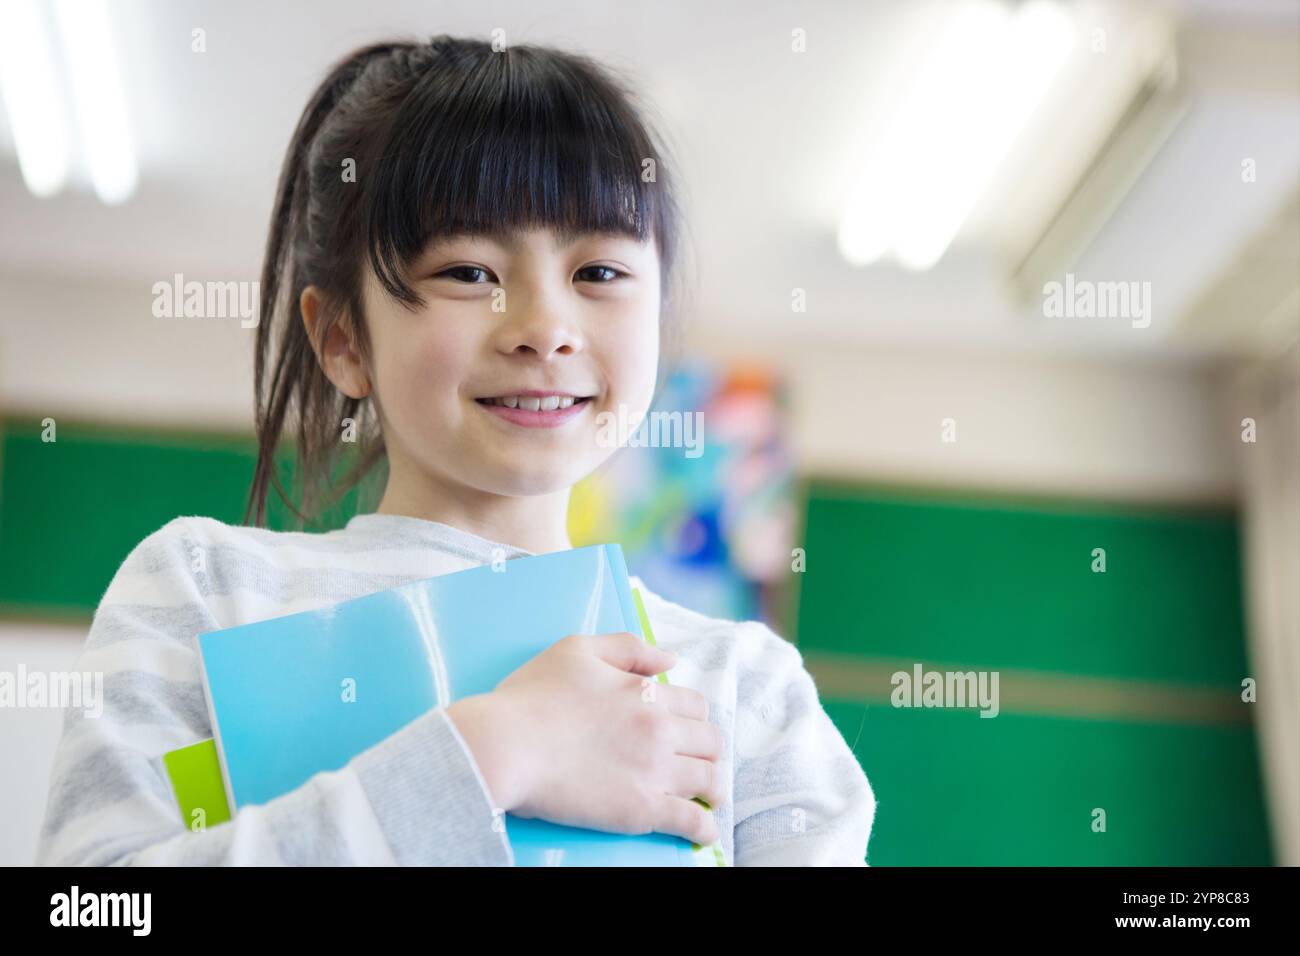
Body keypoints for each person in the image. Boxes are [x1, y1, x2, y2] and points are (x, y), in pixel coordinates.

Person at [35, 35, 875, 866]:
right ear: (342, 341)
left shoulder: (743, 685)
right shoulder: (206, 590)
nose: (545, 327)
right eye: (470, 272)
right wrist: (490, 754)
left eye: (601, 273)